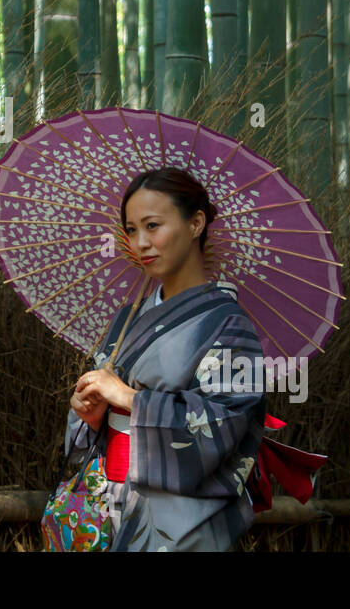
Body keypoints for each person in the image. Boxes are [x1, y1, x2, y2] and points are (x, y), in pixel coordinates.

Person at [64, 166, 266, 551]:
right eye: (131, 230)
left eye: (153, 226)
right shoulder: (127, 319)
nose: (141, 242)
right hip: (105, 506)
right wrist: (89, 417)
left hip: (178, 522)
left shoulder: (227, 324)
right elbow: (92, 427)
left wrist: (129, 399)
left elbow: (225, 423)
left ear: (196, 224)